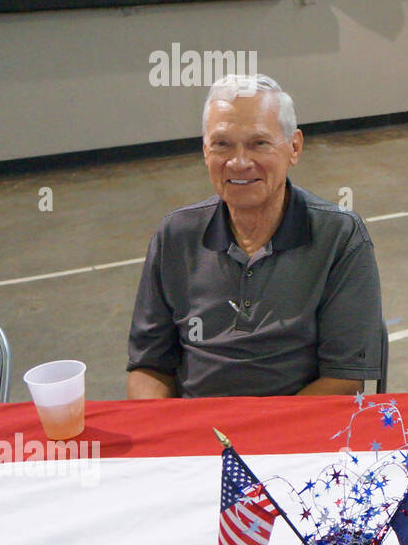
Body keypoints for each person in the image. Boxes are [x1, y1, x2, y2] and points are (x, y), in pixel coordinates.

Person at [127, 74, 384, 398]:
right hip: (198, 431)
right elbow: (149, 365)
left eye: (258, 143)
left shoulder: (340, 237)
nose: (238, 162)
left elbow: (344, 379)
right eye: (222, 144)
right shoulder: (175, 235)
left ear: (294, 147)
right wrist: (170, 436)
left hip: (293, 434)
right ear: (205, 151)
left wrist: (253, 442)